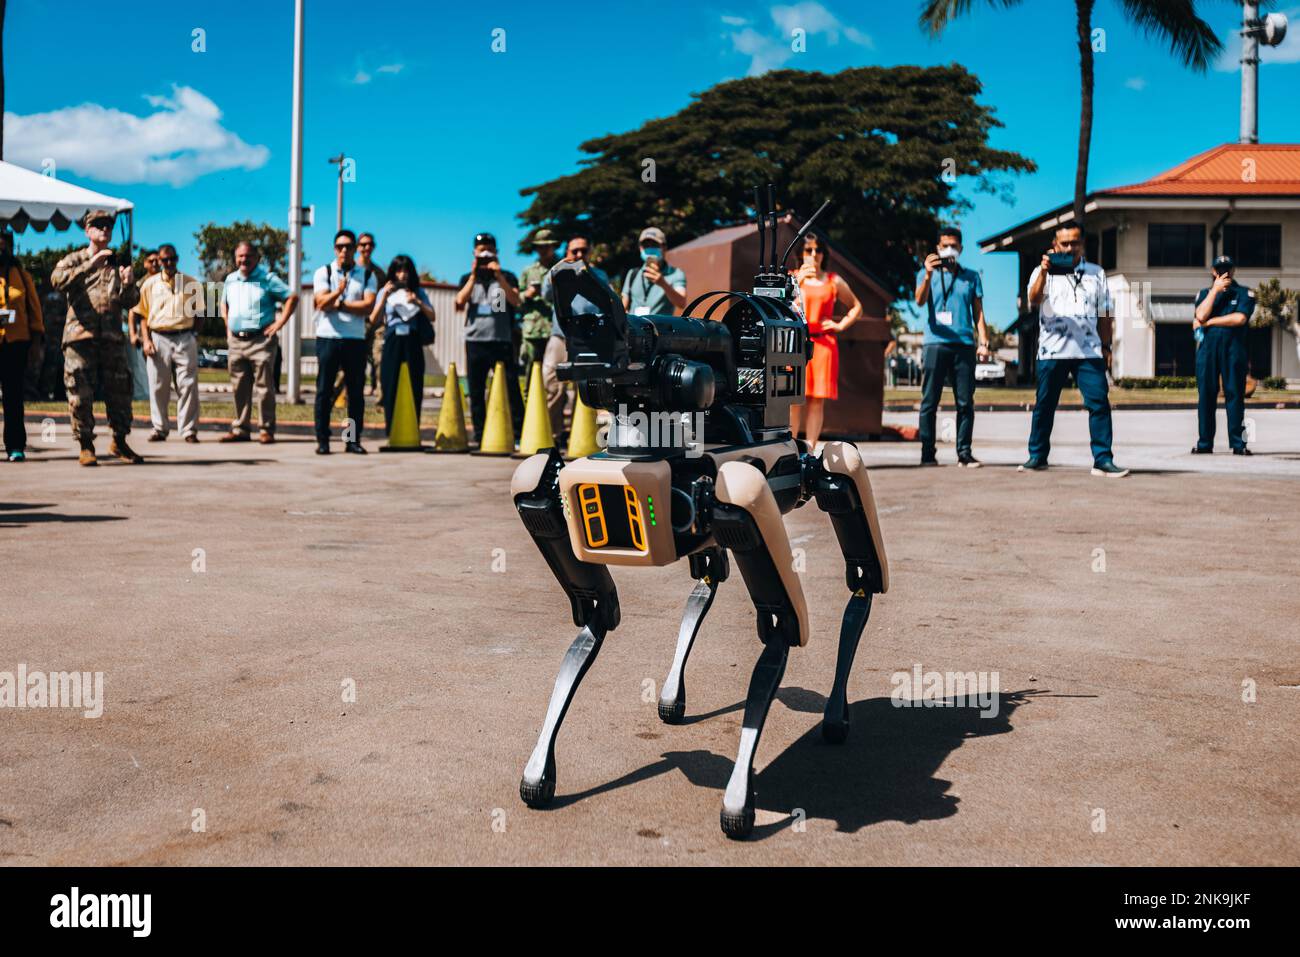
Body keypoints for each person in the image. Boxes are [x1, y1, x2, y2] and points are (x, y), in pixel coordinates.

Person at [1022, 223, 1128, 477]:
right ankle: (1037, 456)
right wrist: (1045, 273)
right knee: (1045, 405)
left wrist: (1106, 346)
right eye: (1065, 243)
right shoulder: (1041, 272)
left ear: (1082, 244)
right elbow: (1033, 299)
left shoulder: (1096, 273)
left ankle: (1102, 459)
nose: (1070, 248)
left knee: (1099, 403)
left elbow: (1104, 313)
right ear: (1055, 245)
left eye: (1075, 242)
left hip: (1088, 351)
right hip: (1052, 351)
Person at [50, 209, 143, 466]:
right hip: (81, 337)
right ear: (87, 230)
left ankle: (120, 441)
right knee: (80, 393)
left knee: (120, 391)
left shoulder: (118, 262)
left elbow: (131, 301)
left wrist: (128, 284)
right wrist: (91, 265)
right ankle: (86, 444)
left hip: (112, 338)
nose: (105, 230)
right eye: (98, 225)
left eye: (108, 226)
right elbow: (57, 280)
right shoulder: (74, 259)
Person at [914, 226, 991, 466]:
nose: (949, 250)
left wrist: (984, 340)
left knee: (966, 401)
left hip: (964, 343)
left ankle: (964, 452)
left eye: (953, 245)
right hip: (935, 343)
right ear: (937, 247)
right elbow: (919, 300)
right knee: (929, 401)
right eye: (945, 245)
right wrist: (927, 275)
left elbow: (978, 311)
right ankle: (928, 453)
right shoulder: (926, 274)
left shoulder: (971, 276)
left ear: (961, 248)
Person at [219, 242, 298, 444]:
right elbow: (223, 304)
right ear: (235, 258)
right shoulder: (230, 279)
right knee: (239, 388)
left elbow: (292, 297)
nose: (244, 260)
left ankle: (266, 429)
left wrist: (279, 323)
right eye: (240, 256)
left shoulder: (267, 278)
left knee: (264, 388)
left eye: (248, 256)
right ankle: (241, 428)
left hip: (261, 341)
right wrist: (228, 326)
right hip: (236, 341)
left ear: (257, 258)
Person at [790, 232, 861, 451]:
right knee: (793, 397)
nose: (813, 254)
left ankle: (810, 447)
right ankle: (789, 445)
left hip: (823, 343)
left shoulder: (833, 280)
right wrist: (798, 281)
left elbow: (856, 306)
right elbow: (784, 306)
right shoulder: (793, 276)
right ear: (801, 253)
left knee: (816, 399)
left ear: (824, 254)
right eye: (808, 250)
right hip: (796, 342)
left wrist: (840, 325)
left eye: (818, 250)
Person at [455, 232, 524, 445]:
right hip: (476, 341)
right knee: (476, 390)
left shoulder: (508, 276)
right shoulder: (467, 278)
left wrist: (499, 276)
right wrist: (475, 276)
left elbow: (516, 301)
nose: (485, 256)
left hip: (501, 341)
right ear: (474, 254)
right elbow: (459, 303)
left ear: (496, 253)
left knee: (511, 387)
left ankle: (518, 434)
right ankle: (479, 434)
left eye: (489, 251)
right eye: (481, 251)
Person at [313, 229, 377, 454]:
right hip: (328, 337)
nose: (344, 251)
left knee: (355, 393)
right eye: (340, 246)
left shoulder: (367, 275)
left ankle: (351, 439)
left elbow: (368, 306)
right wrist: (337, 293)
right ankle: (323, 440)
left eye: (349, 246)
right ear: (334, 249)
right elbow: (320, 302)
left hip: (354, 339)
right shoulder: (323, 272)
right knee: (324, 390)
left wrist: (338, 304)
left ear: (355, 249)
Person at [540, 234, 609, 441]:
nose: (579, 255)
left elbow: (607, 304)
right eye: (574, 251)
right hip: (561, 337)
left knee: (590, 389)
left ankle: (587, 437)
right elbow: (545, 293)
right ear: (567, 253)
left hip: (589, 340)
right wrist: (561, 268)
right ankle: (554, 434)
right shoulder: (557, 273)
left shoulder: (599, 275)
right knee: (552, 386)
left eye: (583, 251)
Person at [135, 243, 204, 443]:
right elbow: (142, 315)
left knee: (188, 384)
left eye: (172, 259)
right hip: (158, 337)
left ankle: (189, 430)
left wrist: (194, 335)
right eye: (164, 260)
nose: (168, 263)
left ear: (177, 259)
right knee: (158, 385)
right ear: (159, 261)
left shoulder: (191, 282)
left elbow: (201, 313)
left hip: (184, 336)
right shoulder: (149, 284)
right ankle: (159, 428)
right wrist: (146, 340)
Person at [1191, 255, 1255, 456]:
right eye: (1220, 269)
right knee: (1206, 395)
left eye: (1227, 269)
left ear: (1233, 270)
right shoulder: (1204, 294)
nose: (1224, 273)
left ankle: (1239, 444)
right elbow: (1200, 315)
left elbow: (1240, 318)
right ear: (1213, 271)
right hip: (1208, 349)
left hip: (1233, 349)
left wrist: (1210, 323)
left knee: (1235, 394)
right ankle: (1204, 443)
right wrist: (1215, 291)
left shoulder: (1245, 293)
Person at [369, 254, 435, 433]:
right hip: (392, 339)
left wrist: (418, 302)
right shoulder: (385, 290)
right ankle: (392, 428)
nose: (402, 275)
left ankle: (413, 427)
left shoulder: (417, 291)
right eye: (398, 270)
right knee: (390, 383)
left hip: (412, 340)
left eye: (406, 270)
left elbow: (432, 315)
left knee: (414, 383)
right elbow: (374, 318)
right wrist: (384, 296)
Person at [0, 229, 43, 461]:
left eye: (3, 245)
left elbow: (35, 311)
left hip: (16, 343)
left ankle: (15, 445)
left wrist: (36, 343)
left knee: (13, 396)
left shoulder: (22, 276)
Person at [518, 228, 560, 386]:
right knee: (531, 373)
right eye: (540, 247)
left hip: (555, 328)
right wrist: (527, 294)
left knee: (554, 375)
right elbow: (516, 301)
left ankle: (554, 409)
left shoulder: (560, 268)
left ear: (553, 247)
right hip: (533, 330)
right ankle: (529, 407)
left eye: (547, 246)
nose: (543, 250)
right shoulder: (528, 271)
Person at [621, 226, 687, 316]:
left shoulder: (676, 273)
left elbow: (681, 303)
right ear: (640, 248)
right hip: (635, 328)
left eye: (654, 245)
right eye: (646, 245)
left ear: (664, 247)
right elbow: (623, 303)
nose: (650, 248)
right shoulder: (632, 273)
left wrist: (663, 283)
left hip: (660, 328)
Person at [125, 250, 159, 401]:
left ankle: (157, 395)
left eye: (157, 260)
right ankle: (143, 395)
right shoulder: (140, 284)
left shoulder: (165, 282)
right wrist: (132, 334)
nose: (155, 263)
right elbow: (133, 312)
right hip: (142, 331)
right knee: (140, 367)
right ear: (145, 264)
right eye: (151, 261)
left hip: (160, 331)